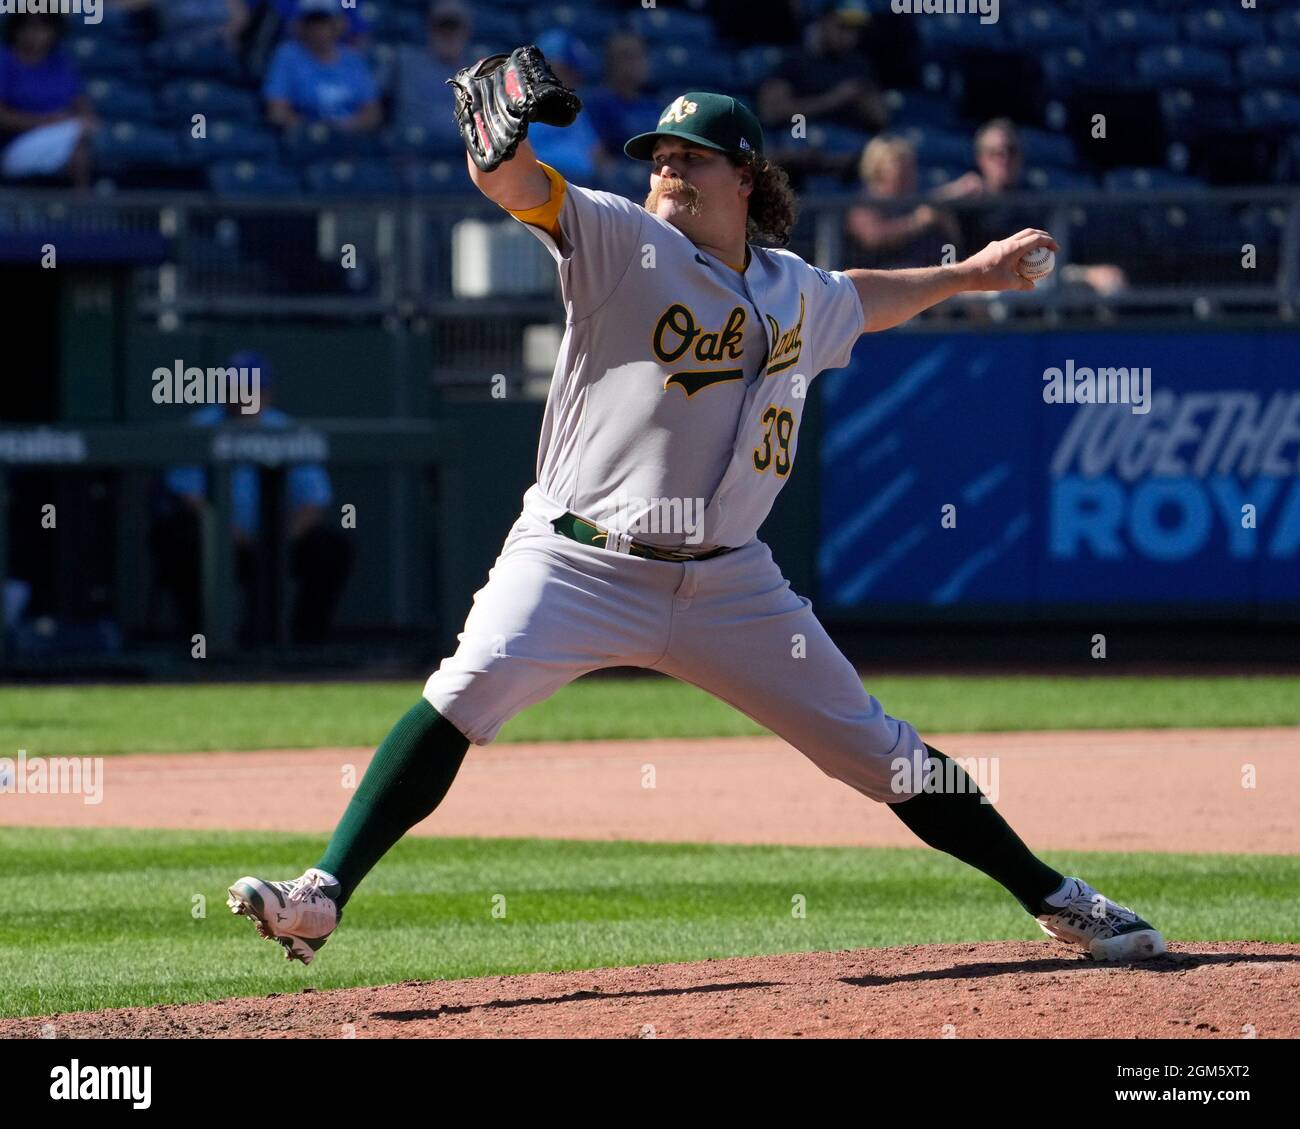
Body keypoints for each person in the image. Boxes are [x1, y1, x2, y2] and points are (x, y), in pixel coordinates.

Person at [227, 70, 1165, 969]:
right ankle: (323, 891)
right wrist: (497, 144)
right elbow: (515, 184)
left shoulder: (794, 286)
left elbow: (862, 299)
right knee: (462, 694)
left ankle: (1056, 898)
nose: (666, 168)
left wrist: (972, 274)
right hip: (577, 557)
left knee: (880, 752)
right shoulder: (619, 239)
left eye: (692, 155)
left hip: (729, 579)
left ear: (746, 174)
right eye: (658, 154)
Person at [151, 352, 353, 647]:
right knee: (177, 537)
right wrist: (226, 533)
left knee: (332, 548)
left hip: (277, 542)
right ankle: (200, 646)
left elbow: (313, 502)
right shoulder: (201, 426)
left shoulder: (286, 428)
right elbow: (188, 497)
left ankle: (304, 648)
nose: (242, 397)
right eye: (235, 388)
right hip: (217, 541)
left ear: (267, 393)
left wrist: (282, 540)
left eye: (251, 389)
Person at [938, 118, 1127, 296]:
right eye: (994, 153)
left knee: (1111, 280)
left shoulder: (1038, 199)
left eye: (1010, 151)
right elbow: (924, 212)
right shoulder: (968, 201)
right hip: (983, 281)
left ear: (1021, 156)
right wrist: (953, 192)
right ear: (980, 158)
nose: (1003, 159)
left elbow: (1057, 258)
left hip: (1039, 275)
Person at [0, 13, 96, 188]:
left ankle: (81, 204)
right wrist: (45, 122)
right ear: (16, 29)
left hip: (63, 135)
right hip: (15, 146)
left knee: (84, 137)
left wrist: (85, 118)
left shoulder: (60, 60)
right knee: (78, 139)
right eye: (28, 27)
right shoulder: (5, 60)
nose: (34, 34)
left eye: (42, 27)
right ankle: (83, 206)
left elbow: (80, 102)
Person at [263, 0, 381, 133]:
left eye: (324, 22)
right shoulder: (288, 55)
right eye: (312, 23)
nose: (318, 29)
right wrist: (313, 129)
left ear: (336, 24)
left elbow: (373, 113)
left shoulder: (353, 59)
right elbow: (277, 112)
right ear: (301, 25)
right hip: (304, 141)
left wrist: (345, 127)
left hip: (351, 140)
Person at [845, 135, 959, 271]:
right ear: (878, 169)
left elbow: (951, 247)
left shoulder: (920, 202)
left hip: (929, 277)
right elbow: (872, 237)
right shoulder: (864, 205)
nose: (908, 172)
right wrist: (916, 222)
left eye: (910, 165)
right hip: (883, 281)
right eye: (899, 164)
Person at [523, 29, 602, 184]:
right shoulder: (519, 105)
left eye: (576, 73)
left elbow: (597, 154)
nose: (573, 79)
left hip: (581, 188)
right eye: (567, 70)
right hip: (539, 186)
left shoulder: (573, 106)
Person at [583, 31, 659, 185]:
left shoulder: (654, 105)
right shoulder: (596, 104)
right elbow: (597, 156)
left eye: (640, 55)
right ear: (610, 62)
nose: (636, 63)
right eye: (627, 56)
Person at [392, 0, 474, 136]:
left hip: (464, 152)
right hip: (417, 152)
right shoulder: (408, 66)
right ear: (430, 29)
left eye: (454, 27)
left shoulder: (479, 71)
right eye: (442, 27)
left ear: (467, 30)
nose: (449, 34)